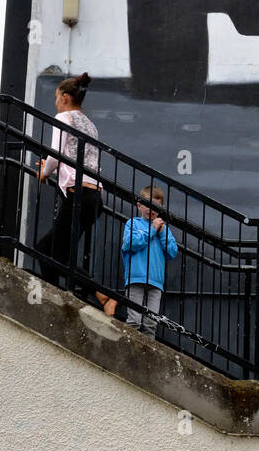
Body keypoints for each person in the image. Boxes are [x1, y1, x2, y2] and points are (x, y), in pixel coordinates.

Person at [35, 73, 102, 291]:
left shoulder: (64, 118)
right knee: (53, 252)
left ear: (65, 97)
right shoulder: (90, 125)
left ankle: (101, 295)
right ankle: (57, 298)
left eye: (56, 98)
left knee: (51, 252)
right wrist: (50, 168)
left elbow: (56, 154)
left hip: (77, 195)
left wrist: (45, 173)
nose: (55, 103)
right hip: (94, 197)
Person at [103, 185, 178, 335]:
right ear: (139, 205)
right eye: (148, 205)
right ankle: (130, 352)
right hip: (135, 279)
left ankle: (147, 355)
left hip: (156, 282)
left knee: (151, 323)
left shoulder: (164, 229)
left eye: (155, 206)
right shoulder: (133, 223)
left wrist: (161, 233)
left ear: (161, 207)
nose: (151, 209)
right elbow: (129, 244)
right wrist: (151, 231)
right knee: (134, 321)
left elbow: (172, 252)